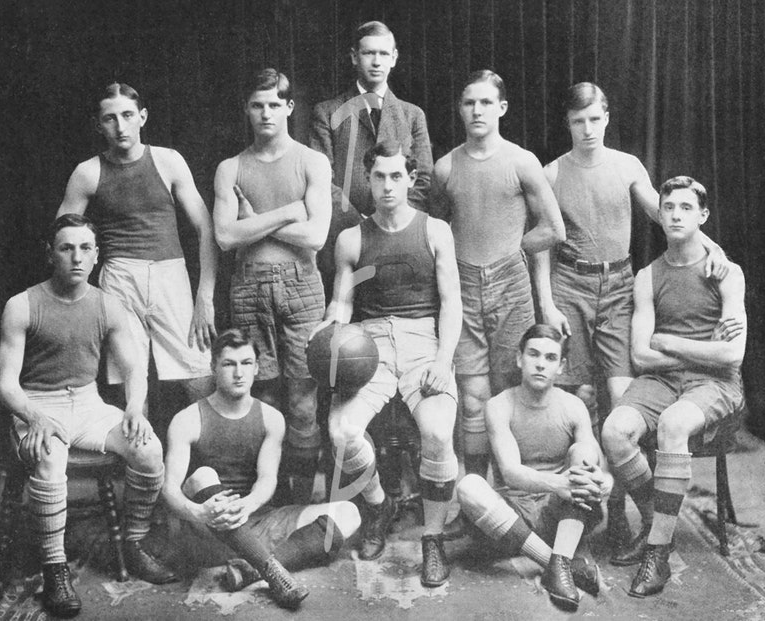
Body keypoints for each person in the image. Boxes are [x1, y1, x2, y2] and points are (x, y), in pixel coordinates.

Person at [531, 82, 728, 549]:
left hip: (619, 286)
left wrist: (714, 247)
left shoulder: (627, 166)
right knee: (576, 398)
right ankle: (579, 508)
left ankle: (620, 509)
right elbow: (541, 243)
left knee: (622, 401)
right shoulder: (552, 172)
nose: (587, 129)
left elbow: (669, 215)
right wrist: (547, 302)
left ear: (607, 118)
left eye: (595, 119)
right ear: (568, 123)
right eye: (578, 121)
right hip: (569, 285)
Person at [0, 215, 176, 619]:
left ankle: (133, 542)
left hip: (89, 404)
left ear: (96, 256)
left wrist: (133, 407)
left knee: (148, 450)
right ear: (50, 254)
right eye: (66, 248)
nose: (76, 257)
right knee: (49, 458)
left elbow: (134, 369)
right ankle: (55, 567)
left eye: (84, 249)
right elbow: (7, 385)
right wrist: (32, 415)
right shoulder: (22, 305)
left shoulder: (108, 304)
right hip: (38, 405)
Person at [318, 140, 461, 588]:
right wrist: (326, 337)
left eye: (396, 176)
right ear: (368, 178)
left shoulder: (435, 231)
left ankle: (432, 539)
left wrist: (442, 359)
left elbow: (452, 303)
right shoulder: (352, 238)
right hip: (370, 344)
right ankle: (379, 504)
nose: (387, 185)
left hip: (424, 343)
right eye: (378, 176)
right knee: (342, 432)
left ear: (411, 179)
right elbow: (341, 305)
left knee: (438, 432)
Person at [601, 176, 745, 598]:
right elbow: (642, 356)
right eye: (669, 207)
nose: (676, 214)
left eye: (686, 207)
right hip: (660, 378)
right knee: (614, 430)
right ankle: (656, 518)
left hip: (714, 384)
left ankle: (657, 552)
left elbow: (732, 356)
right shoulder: (647, 276)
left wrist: (670, 342)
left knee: (674, 423)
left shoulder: (725, 273)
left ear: (702, 216)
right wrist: (702, 348)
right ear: (659, 214)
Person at [430, 69, 565, 484]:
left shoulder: (522, 161)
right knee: (473, 400)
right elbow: (435, 232)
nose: (477, 110)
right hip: (464, 288)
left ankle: (514, 492)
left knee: (511, 390)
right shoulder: (445, 167)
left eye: (486, 102)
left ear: (502, 108)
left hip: (511, 285)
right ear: (459, 108)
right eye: (469, 102)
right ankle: (475, 495)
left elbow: (554, 230)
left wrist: (512, 251)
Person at [162, 329, 360, 610]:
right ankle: (271, 571)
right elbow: (169, 489)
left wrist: (248, 504)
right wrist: (199, 512)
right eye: (229, 364)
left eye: (246, 363)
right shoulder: (187, 420)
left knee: (349, 513)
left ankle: (251, 568)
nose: (238, 373)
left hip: (255, 519)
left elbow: (266, 481)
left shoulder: (271, 419)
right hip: (209, 527)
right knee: (203, 475)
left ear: (256, 367)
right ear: (213, 368)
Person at [212, 68, 332, 504]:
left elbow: (317, 237)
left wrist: (253, 221)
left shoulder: (312, 161)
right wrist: (287, 213)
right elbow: (225, 237)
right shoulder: (230, 167)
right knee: (258, 394)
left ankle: (301, 499)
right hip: (249, 288)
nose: (266, 113)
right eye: (257, 105)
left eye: (274, 104)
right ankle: (269, 495)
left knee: (302, 397)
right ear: (247, 109)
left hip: (301, 287)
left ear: (289, 107)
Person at [57, 82, 218, 405]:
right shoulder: (87, 173)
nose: (120, 126)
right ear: (98, 125)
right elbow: (61, 236)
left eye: (128, 115)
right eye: (110, 118)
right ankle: (137, 457)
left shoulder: (168, 161)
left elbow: (206, 228)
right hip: (119, 277)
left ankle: (207, 455)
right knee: (131, 382)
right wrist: (79, 297)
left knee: (197, 375)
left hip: (170, 274)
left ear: (142, 117)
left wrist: (205, 296)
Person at [457, 324, 610, 612]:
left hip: (562, 515)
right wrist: (558, 484)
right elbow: (512, 472)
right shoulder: (499, 405)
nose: (541, 363)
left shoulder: (573, 405)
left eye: (550, 358)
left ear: (561, 366)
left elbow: (593, 460)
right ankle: (561, 564)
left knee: (583, 453)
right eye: (534, 354)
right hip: (514, 520)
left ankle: (557, 563)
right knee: (469, 486)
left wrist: (599, 480)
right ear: (519, 359)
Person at [309, 20, 433, 301]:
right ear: (354, 57)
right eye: (368, 53)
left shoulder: (412, 115)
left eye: (383, 54)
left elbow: (423, 179)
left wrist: (392, 222)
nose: (376, 61)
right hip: (346, 240)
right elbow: (321, 181)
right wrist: (361, 226)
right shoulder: (327, 113)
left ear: (394, 58)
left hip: (400, 240)